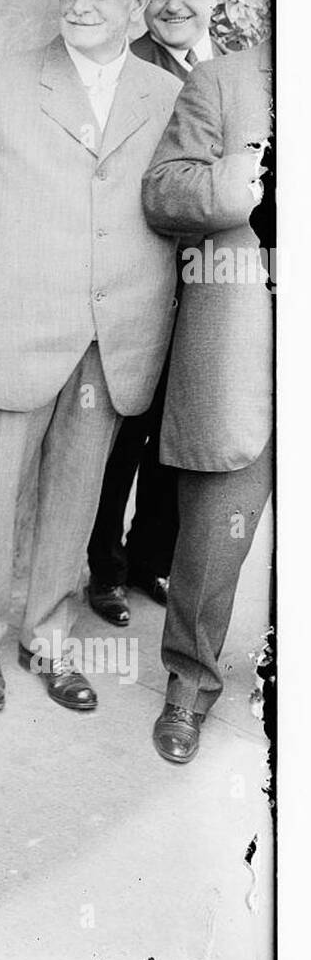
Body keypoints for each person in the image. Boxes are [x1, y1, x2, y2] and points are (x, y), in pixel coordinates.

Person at [0, 0, 181, 716]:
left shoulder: (170, 97)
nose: (79, 4)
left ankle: (47, 640)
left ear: (139, 8)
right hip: (11, 332)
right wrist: (8, 282)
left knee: (74, 504)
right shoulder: (3, 80)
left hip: (112, 344)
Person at [86, 0, 247, 628]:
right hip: (147, 284)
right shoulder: (131, 68)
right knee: (126, 431)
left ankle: (150, 556)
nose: (174, 4)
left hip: (218, 297)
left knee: (181, 441)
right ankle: (104, 570)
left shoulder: (239, 73)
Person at [142, 42, 273, 764]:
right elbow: (162, 190)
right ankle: (187, 689)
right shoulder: (223, 82)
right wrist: (237, 182)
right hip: (242, 356)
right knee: (214, 538)